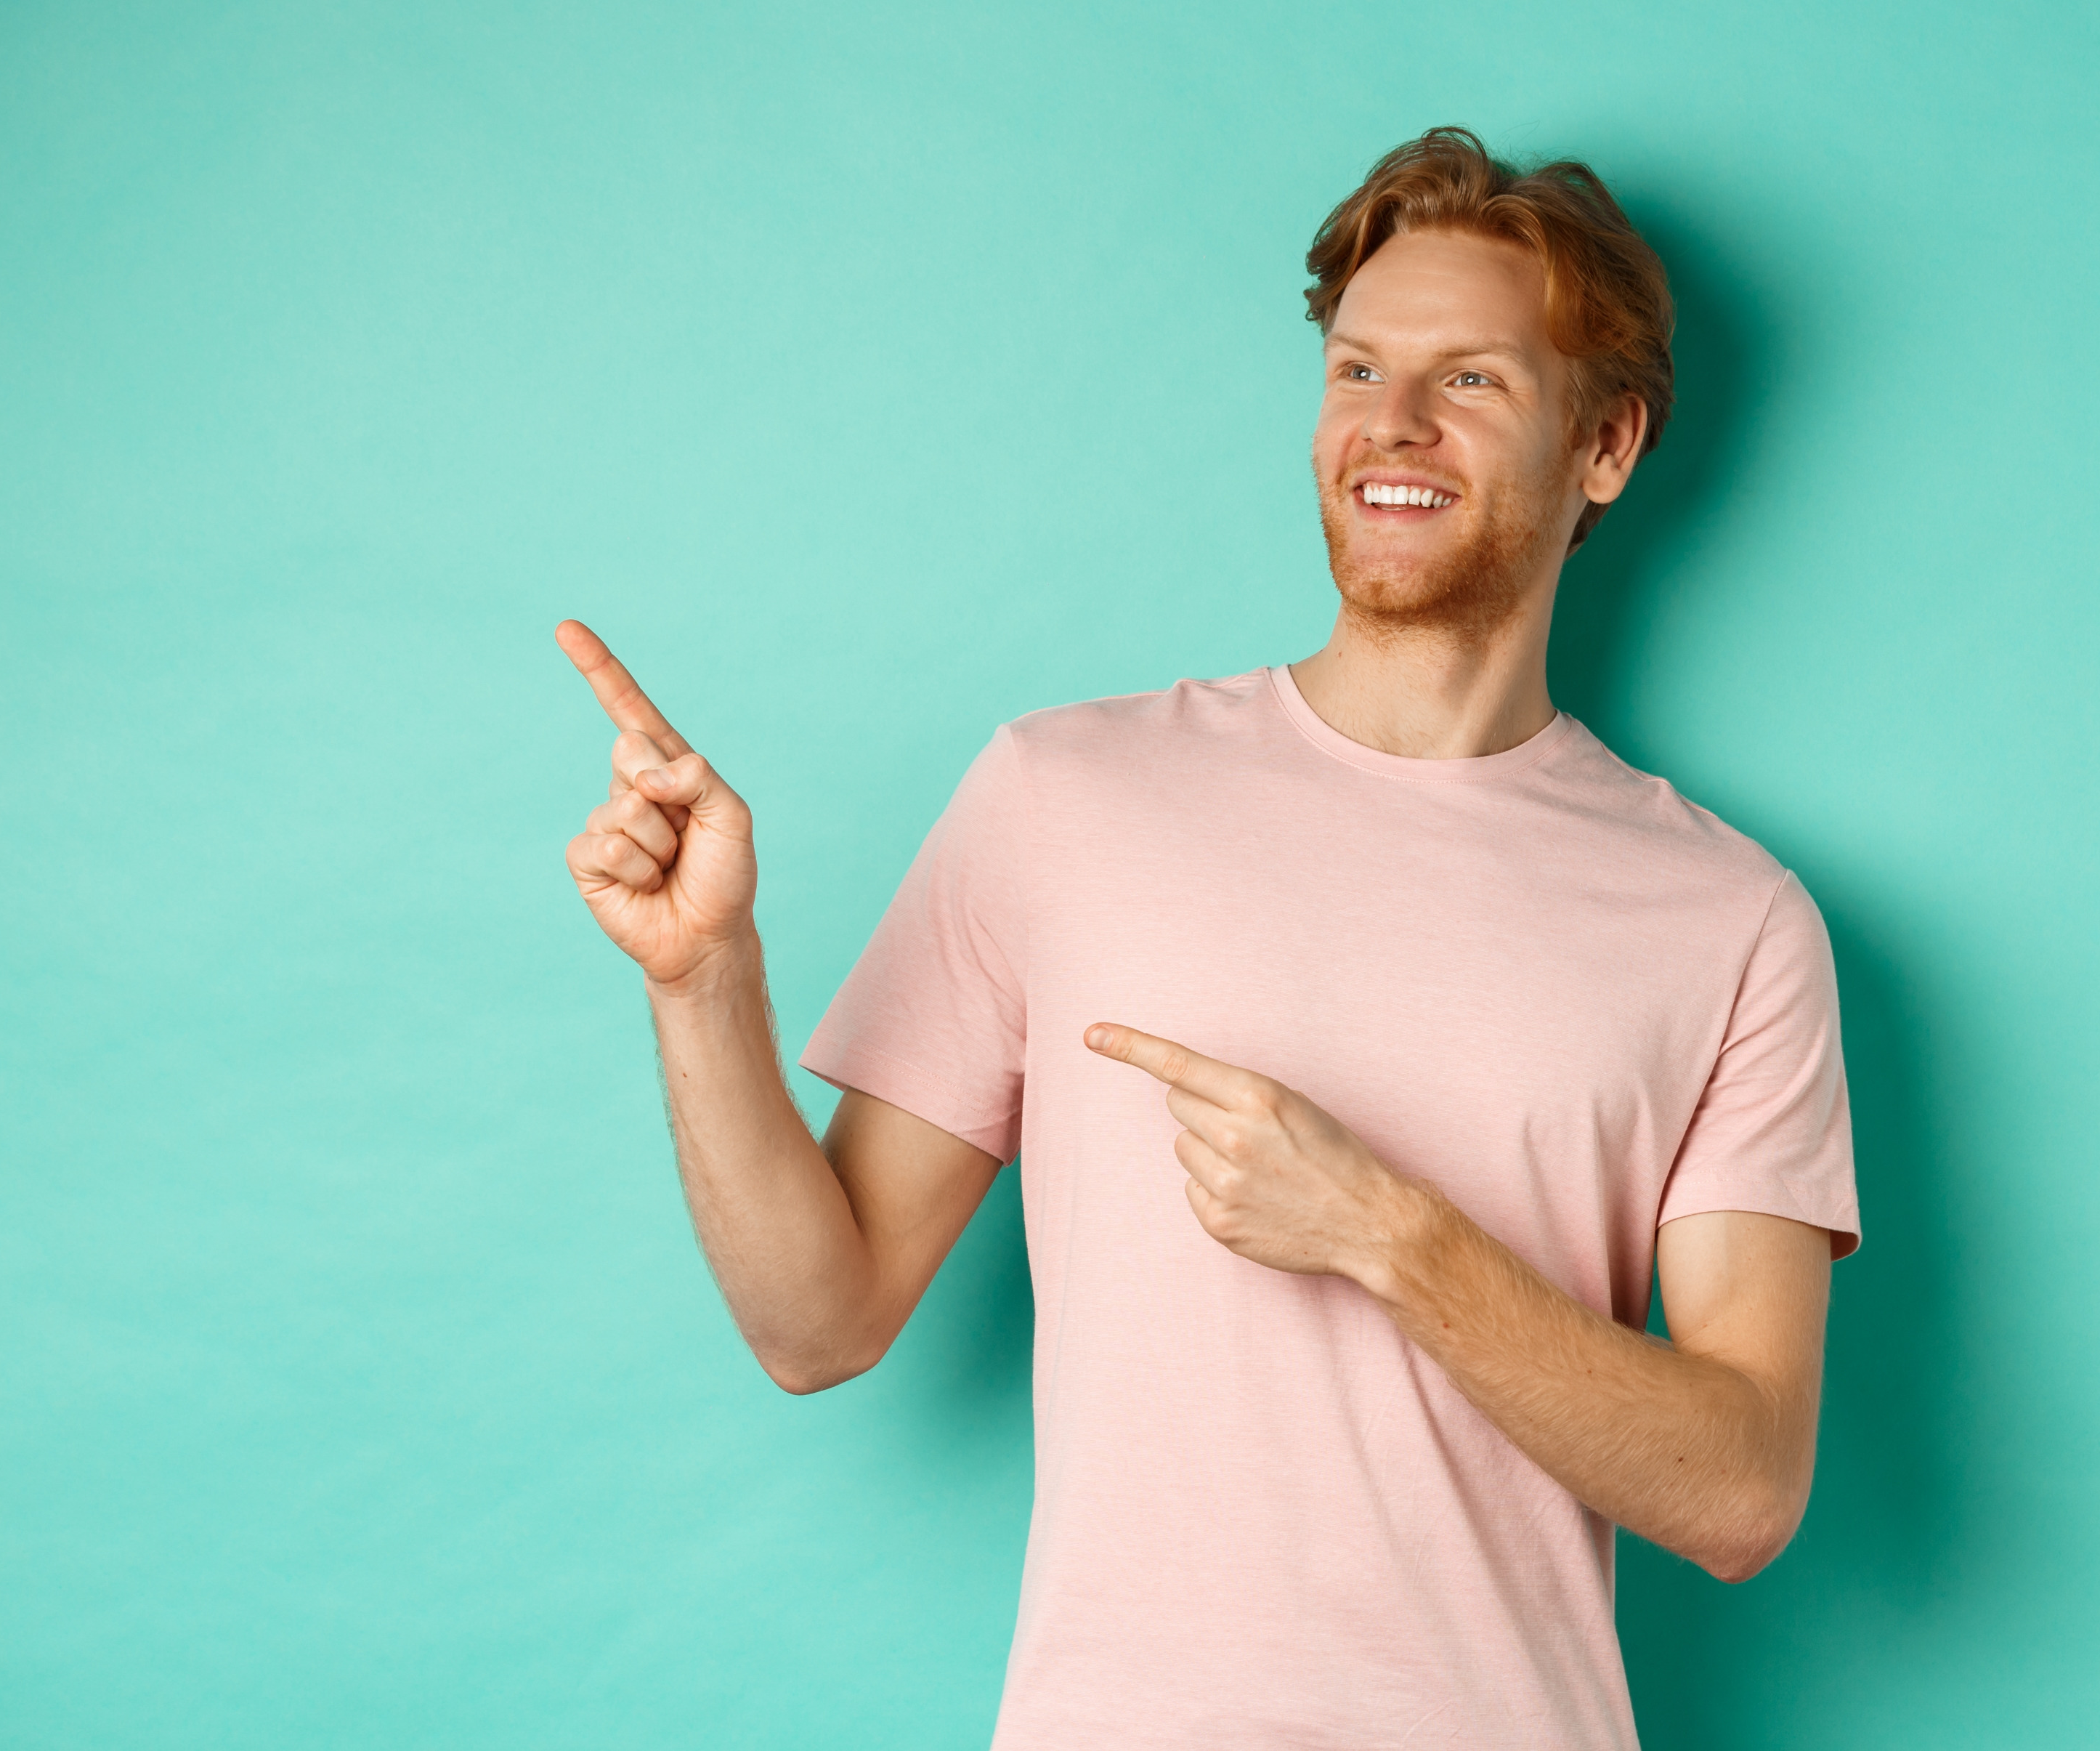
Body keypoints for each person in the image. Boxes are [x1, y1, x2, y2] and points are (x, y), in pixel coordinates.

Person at [558, 126, 1858, 1750]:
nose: (1385, 422)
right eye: (1356, 367)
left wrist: (1388, 1234)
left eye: (1467, 382)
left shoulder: (1727, 920)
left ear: (1605, 444)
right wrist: (700, 981)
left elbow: (1740, 1486)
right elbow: (815, 1322)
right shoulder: (1064, 795)